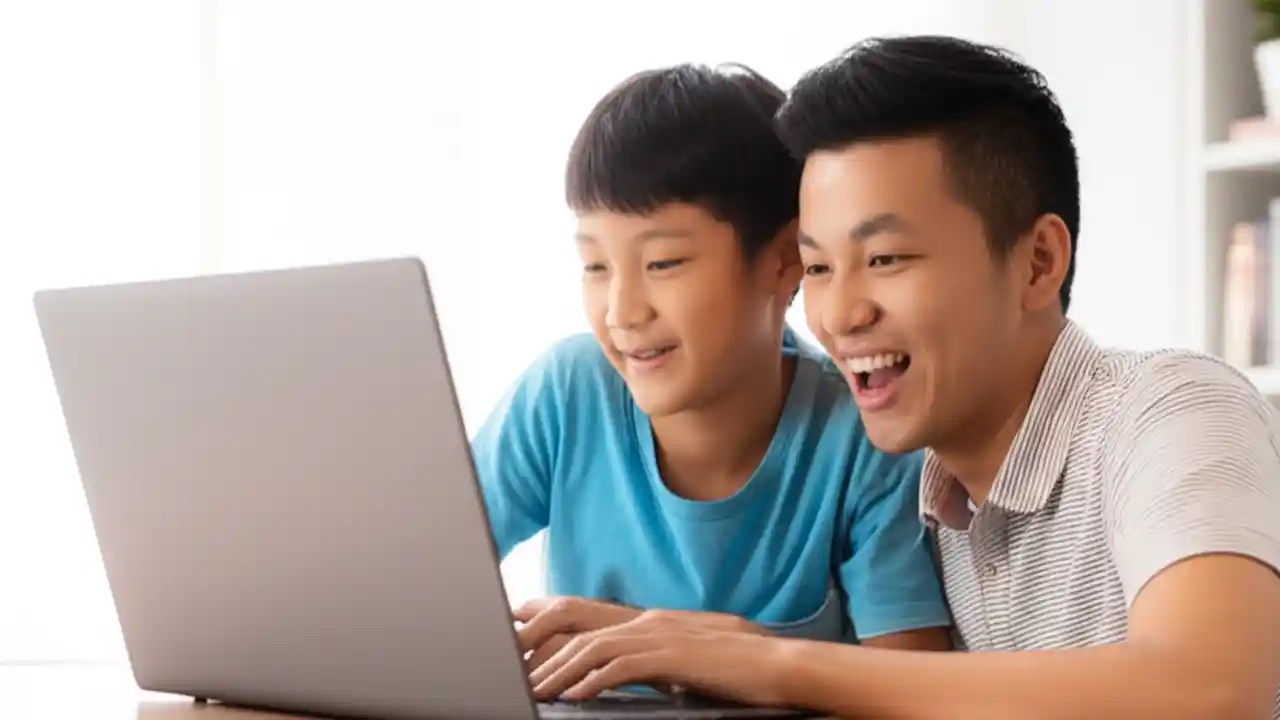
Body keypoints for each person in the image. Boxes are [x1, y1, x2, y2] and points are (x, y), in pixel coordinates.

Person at [522, 36, 1280, 719]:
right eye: (817, 267)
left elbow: (1208, 688)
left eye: (885, 258)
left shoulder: (1171, 410)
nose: (840, 313)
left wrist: (771, 661)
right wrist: (692, 646)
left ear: (1039, 261)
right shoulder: (918, 496)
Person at [469, 62, 952, 671]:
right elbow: (421, 573)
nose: (622, 311)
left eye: (663, 263)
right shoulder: (567, 393)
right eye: (595, 266)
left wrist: (703, 652)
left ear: (783, 261)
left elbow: (919, 683)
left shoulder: (864, 437)